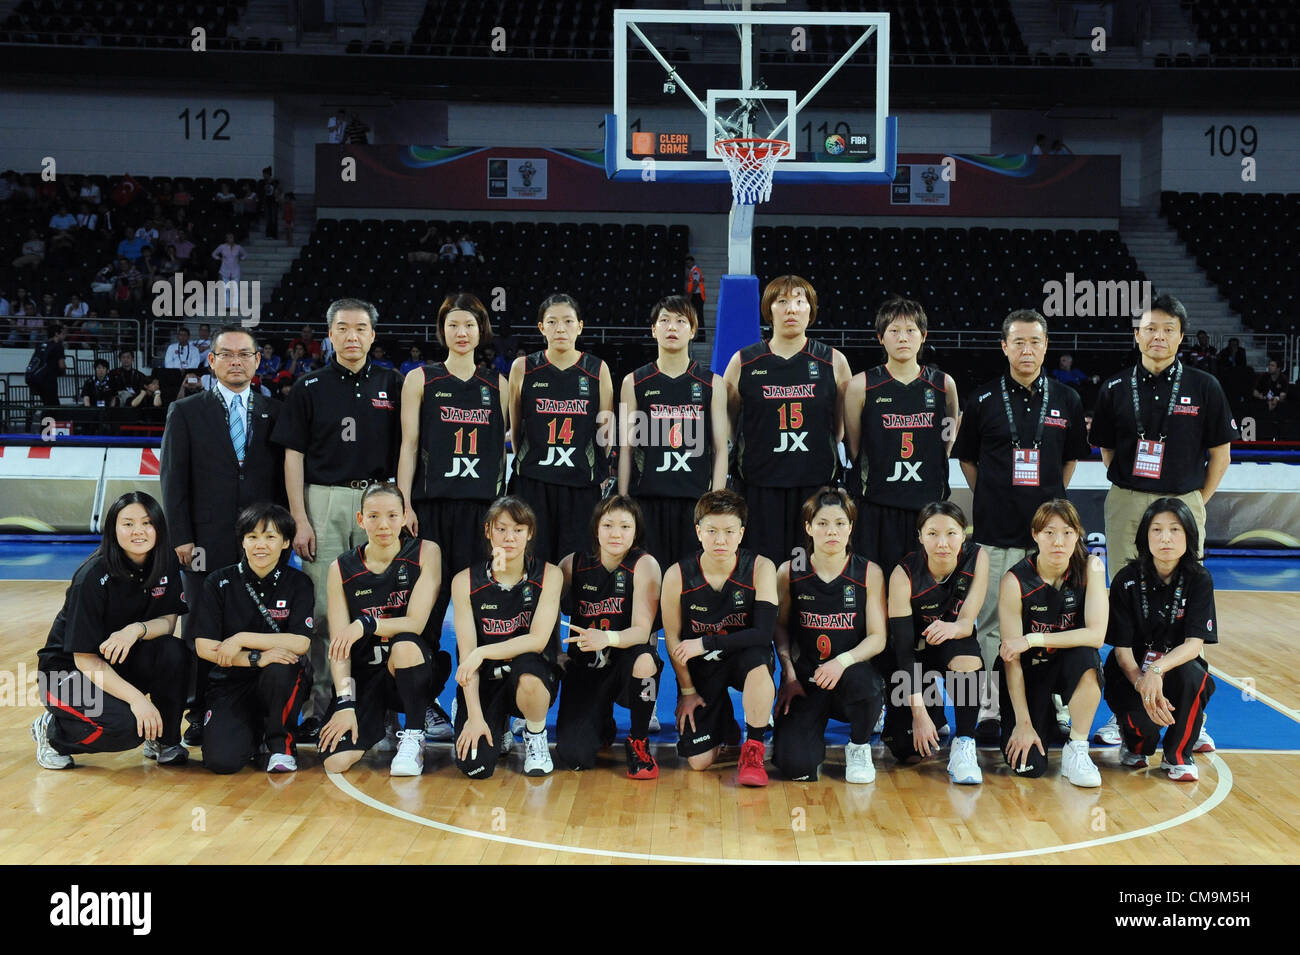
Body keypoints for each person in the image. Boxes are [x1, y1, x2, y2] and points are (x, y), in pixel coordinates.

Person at [952, 308, 1090, 743]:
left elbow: (1069, 461)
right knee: (991, 621)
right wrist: (994, 497)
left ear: (1046, 346)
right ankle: (991, 705)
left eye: (1035, 342)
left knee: (1050, 622)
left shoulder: (1067, 400)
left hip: (1048, 539)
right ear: (1004, 347)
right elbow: (968, 459)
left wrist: (1047, 507)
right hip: (994, 532)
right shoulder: (984, 399)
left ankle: (1053, 701)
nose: (1027, 350)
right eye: (1018, 342)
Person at [272, 299, 404, 738]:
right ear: (329, 335)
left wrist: (401, 506)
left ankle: (380, 707)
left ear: (372, 335)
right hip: (322, 501)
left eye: (361, 328)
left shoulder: (395, 383)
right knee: (324, 613)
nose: (352, 336)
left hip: (378, 501)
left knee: (378, 608)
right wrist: (299, 518)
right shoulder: (309, 386)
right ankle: (320, 705)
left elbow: (410, 448)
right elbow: (293, 455)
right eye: (343, 328)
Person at [161, 326, 285, 746]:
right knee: (200, 621)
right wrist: (181, 536)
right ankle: (197, 711)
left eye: (244, 354)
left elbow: (282, 481)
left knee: (256, 618)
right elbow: (173, 480)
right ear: (211, 361)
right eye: (226, 354)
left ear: (257, 360)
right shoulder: (185, 411)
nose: (236, 361)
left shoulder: (275, 410)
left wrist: (282, 532)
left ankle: (258, 708)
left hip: (263, 538)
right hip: (203, 540)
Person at [397, 293, 507, 738]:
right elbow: (407, 445)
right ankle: (419, 709)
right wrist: (404, 501)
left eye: (470, 325)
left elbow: (513, 448)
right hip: (431, 508)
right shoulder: (421, 379)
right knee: (426, 609)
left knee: (482, 610)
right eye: (453, 325)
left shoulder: (499, 385)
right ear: (442, 330)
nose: (461, 333)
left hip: (481, 511)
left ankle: (480, 710)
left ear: (481, 332)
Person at [32, 492, 190, 770]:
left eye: (147, 522)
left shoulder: (165, 560)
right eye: (128, 523)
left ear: (159, 528)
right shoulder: (91, 577)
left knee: (173, 651)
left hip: (117, 662)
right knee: (127, 729)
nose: (138, 531)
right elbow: (85, 659)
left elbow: (167, 621)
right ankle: (54, 733)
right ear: (113, 529)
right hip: (68, 672)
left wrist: (135, 630)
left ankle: (164, 739)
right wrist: (138, 700)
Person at [1090, 295, 1237, 573]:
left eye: (1168, 329)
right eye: (1150, 328)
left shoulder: (1205, 386)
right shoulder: (1114, 387)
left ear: (1181, 336)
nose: (1159, 336)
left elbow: (1221, 454)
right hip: (1127, 500)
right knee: (1124, 586)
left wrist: (1194, 500)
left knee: (1183, 590)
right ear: (1137, 334)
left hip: (1183, 500)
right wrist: (1132, 488)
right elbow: (1107, 449)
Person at [317, 482, 452, 776]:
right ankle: (382, 721)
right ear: (360, 519)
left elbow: (415, 623)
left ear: (405, 516)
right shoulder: (341, 568)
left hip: (415, 665)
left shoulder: (426, 552)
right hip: (366, 675)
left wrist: (366, 623)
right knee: (334, 761)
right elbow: (339, 649)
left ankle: (414, 736)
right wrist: (344, 703)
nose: (383, 525)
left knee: (403, 644)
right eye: (374, 516)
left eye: (392, 516)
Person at [722, 275, 852, 567]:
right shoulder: (743, 361)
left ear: (811, 310)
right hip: (758, 488)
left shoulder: (833, 361)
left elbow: (840, 428)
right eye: (782, 301)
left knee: (810, 573)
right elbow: (730, 423)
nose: (791, 309)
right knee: (760, 572)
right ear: (769, 310)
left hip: (815, 488)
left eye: (799, 301)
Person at [661, 489, 778, 786]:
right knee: (699, 763)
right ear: (699, 532)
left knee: (759, 664)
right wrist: (687, 691)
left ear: (741, 533)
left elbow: (764, 633)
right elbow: (673, 640)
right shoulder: (677, 574)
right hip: (702, 668)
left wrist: (707, 642)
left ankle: (754, 746)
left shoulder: (761, 567)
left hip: (743, 658)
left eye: (728, 531)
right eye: (712, 531)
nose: (720, 540)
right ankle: (725, 723)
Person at [772, 488, 886, 784]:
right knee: (795, 767)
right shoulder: (789, 571)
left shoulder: (868, 572)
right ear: (808, 528)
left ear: (851, 527)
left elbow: (877, 638)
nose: (831, 531)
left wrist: (842, 662)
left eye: (840, 523)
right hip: (806, 680)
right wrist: (788, 674)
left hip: (850, 674)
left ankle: (859, 746)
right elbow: (779, 627)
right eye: (822, 523)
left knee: (867, 683)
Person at [192, 503, 313, 773]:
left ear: (285, 543)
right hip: (229, 681)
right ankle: (254, 731)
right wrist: (257, 658)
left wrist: (242, 638)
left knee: (281, 667)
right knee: (221, 762)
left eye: (270, 537)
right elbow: (204, 647)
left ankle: (281, 745)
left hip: (278, 678)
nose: (261, 545)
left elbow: (300, 643)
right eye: (252, 537)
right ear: (242, 542)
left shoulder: (298, 583)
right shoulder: (218, 582)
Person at [843, 296, 960, 576]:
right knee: (874, 584)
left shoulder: (943, 384)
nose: (903, 338)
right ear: (881, 338)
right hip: (875, 506)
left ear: (924, 336)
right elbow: (854, 447)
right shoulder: (861, 385)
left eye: (911, 331)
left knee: (923, 588)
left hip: (926, 507)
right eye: (894, 331)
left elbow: (947, 435)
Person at [1104, 498, 1217, 781]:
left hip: (1170, 668)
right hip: (1131, 674)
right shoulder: (1126, 579)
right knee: (1141, 736)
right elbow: (1122, 650)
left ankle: (1178, 754)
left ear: (1189, 535)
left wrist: (1157, 670)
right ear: (1145, 535)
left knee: (1195, 677)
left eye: (1175, 529)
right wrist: (1142, 682)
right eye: (1156, 530)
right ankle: (1134, 743)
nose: (1165, 537)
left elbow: (1193, 645)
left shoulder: (1199, 579)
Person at [996, 499, 1108, 786]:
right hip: (1030, 671)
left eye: (1068, 532)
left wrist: (1033, 638)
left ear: (1078, 535)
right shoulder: (1015, 581)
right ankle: (1042, 712)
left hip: (1068, 663)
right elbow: (1011, 657)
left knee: (1088, 657)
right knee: (1029, 766)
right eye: (1049, 532)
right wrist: (1023, 722)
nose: (1059, 541)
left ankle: (1077, 748)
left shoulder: (1091, 567)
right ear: (1035, 535)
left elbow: (1096, 635)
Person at [451, 496, 563, 778]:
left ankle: (535, 735)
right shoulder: (464, 581)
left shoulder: (550, 575)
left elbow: (538, 640)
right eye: (501, 529)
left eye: (518, 530)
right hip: (485, 678)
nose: (509, 538)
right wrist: (474, 716)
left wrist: (483, 652)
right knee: (476, 767)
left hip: (528, 676)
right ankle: (487, 718)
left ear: (530, 533)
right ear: (488, 531)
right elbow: (467, 658)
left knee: (529, 671)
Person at [618, 295, 729, 570]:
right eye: (664, 320)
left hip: (695, 501)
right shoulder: (634, 381)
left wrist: (715, 501)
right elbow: (625, 448)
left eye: (681, 321)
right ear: (653, 329)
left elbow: (720, 448)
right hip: (647, 500)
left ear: (693, 330)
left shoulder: (712, 382)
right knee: (648, 580)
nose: (672, 327)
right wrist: (622, 500)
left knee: (691, 581)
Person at [555, 496, 663, 777]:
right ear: (596, 529)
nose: (616, 533)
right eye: (608, 525)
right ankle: (601, 721)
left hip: (627, 664)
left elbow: (642, 630)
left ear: (636, 531)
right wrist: (555, 650)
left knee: (647, 662)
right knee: (574, 756)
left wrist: (608, 638)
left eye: (625, 526)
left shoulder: (645, 564)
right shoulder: (572, 564)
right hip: (587, 666)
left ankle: (639, 740)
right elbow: (544, 609)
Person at [881, 501, 988, 783]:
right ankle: (932, 714)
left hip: (952, 642)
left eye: (951, 533)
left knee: (967, 659)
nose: (942, 543)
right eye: (932, 533)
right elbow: (903, 651)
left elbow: (966, 624)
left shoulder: (978, 557)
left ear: (964, 535)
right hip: (912, 658)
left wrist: (950, 628)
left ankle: (964, 743)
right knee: (908, 751)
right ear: (920, 536)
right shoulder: (903, 574)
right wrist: (918, 713)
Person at [508, 294, 614, 564]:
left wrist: (599, 470)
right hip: (533, 482)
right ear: (541, 328)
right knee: (532, 563)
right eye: (552, 322)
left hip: (579, 484)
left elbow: (605, 429)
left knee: (577, 565)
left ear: (580, 326)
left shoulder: (597, 369)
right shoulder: (523, 367)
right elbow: (517, 426)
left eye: (568, 321)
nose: (560, 328)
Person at [25, 323, 67, 407]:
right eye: (62, 333)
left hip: (35, 379)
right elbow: (62, 365)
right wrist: (63, 372)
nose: (64, 335)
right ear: (56, 334)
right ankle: (45, 419)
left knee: (47, 405)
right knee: (54, 408)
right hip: (48, 380)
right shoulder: (58, 345)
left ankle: (44, 419)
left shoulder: (41, 345)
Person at [684, 255, 705, 321]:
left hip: (697, 295)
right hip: (696, 295)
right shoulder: (693, 271)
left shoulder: (695, 271)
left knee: (698, 314)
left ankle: (701, 331)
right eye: (687, 264)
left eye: (689, 263)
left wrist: (690, 295)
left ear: (693, 262)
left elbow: (695, 283)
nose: (688, 265)